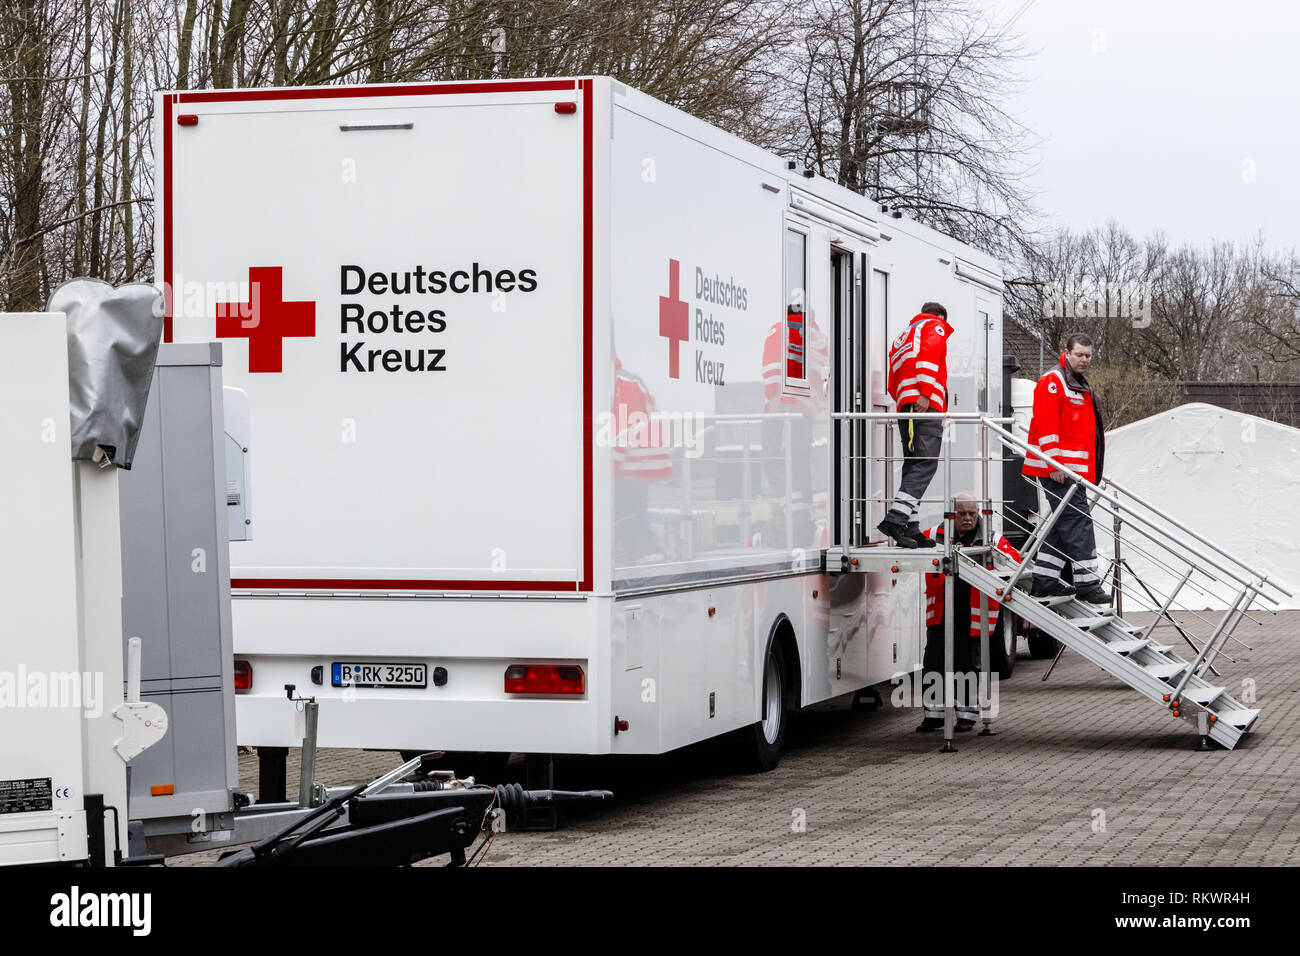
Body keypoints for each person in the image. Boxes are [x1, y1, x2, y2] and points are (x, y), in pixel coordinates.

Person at [916, 493, 1022, 732]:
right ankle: (933, 714)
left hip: (972, 614)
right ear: (951, 514)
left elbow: (1013, 561)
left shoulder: (992, 539)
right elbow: (909, 551)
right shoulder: (933, 536)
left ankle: (967, 715)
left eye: (972, 514)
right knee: (933, 662)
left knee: (967, 663)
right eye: (962, 514)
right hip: (940, 612)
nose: (968, 519)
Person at [1022, 333, 1110, 604]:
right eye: (1079, 354)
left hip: (1072, 471)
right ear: (1067, 353)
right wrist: (1053, 463)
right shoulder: (1053, 381)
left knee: (1063, 524)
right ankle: (1087, 583)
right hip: (1059, 470)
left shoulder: (1076, 382)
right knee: (1079, 522)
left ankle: (1044, 580)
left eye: (1088, 355)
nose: (1084, 359)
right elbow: (1047, 425)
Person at [878, 302, 953, 548]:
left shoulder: (904, 335)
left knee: (913, 466)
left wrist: (907, 398)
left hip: (905, 405)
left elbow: (893, 378)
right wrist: (926, 393)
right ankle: (896, 519)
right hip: (924, 404)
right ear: (940, 316)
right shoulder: (934, 326)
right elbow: (930, 357)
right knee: (926, 462)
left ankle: (911, 528)